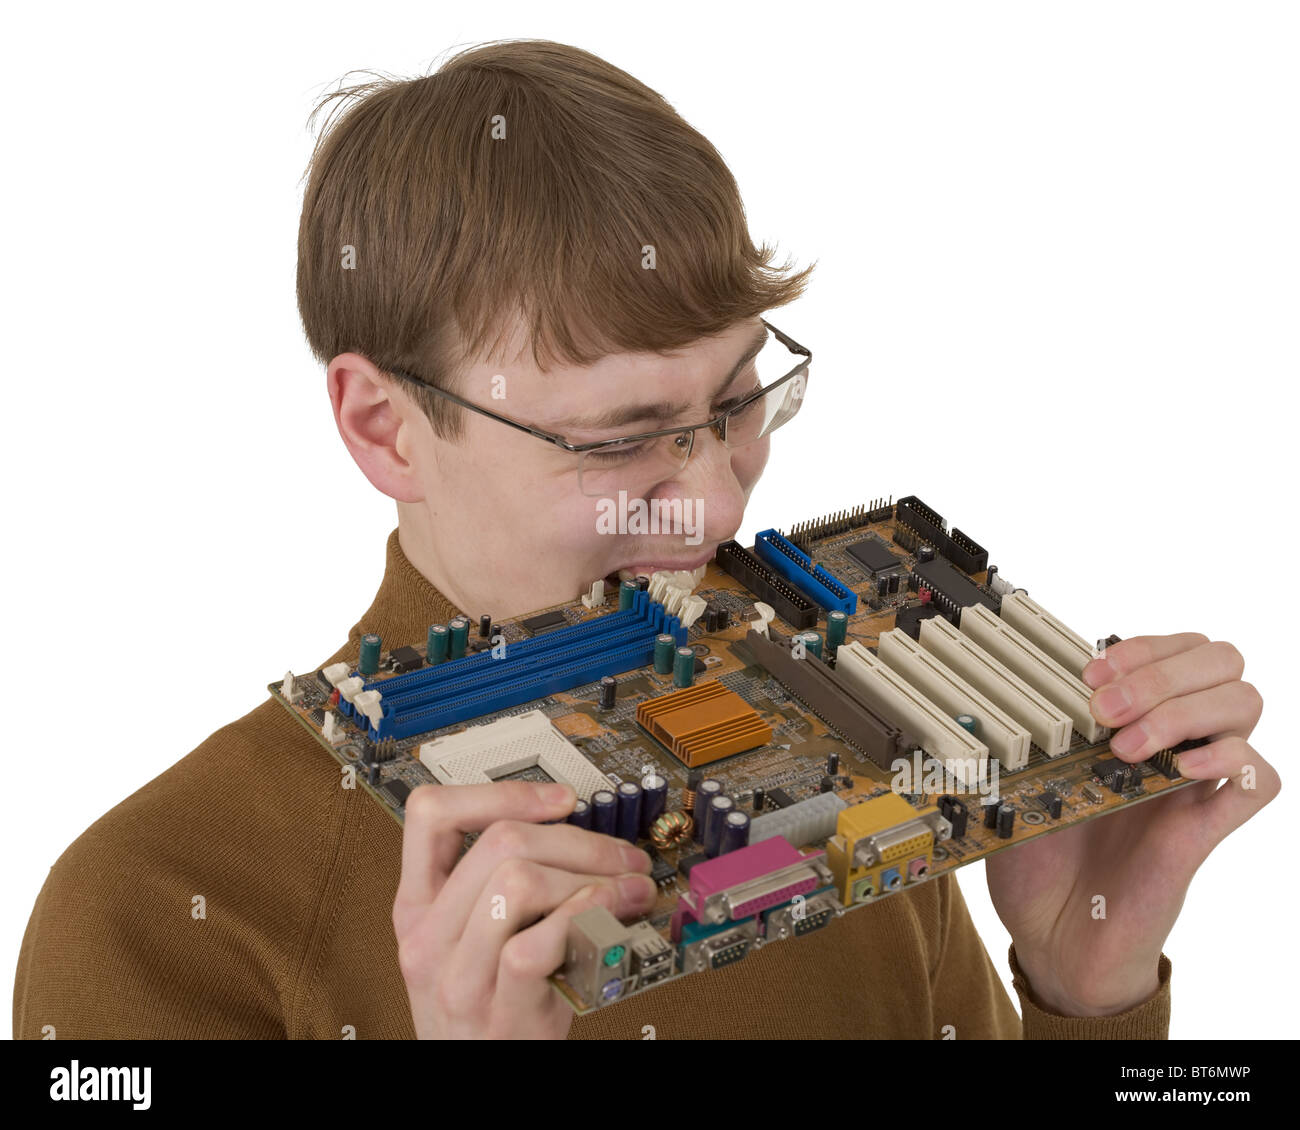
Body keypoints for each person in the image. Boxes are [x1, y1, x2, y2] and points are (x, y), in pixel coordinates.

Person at [13, 39, 1277, 1041]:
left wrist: (1086, 995)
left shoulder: (848, 745)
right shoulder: (150, 912)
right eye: (619, 439)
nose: (719, 508)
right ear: (385, 425)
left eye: (734, 404)